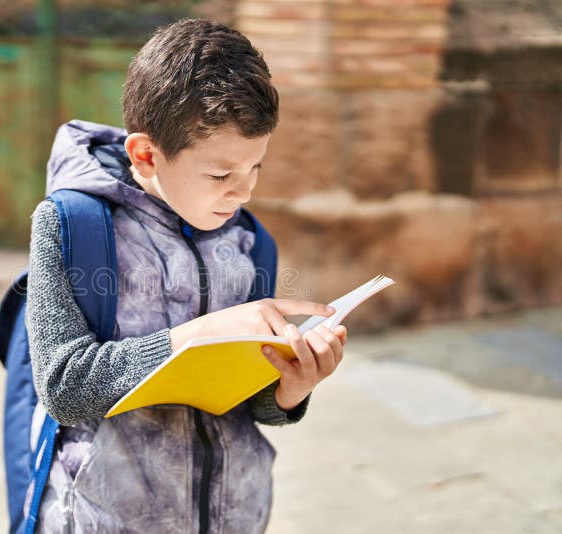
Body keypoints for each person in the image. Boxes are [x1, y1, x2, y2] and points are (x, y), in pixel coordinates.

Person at [25, 18, 348, 533]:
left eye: (256, 168)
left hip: (236, 516)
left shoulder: (251, 242)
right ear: (146, 155)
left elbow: (249, 404)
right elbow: (64, 386)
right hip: (109, 519)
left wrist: (291, 388)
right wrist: (195, 336)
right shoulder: (72, 225)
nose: (244, 192)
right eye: (221, 174)